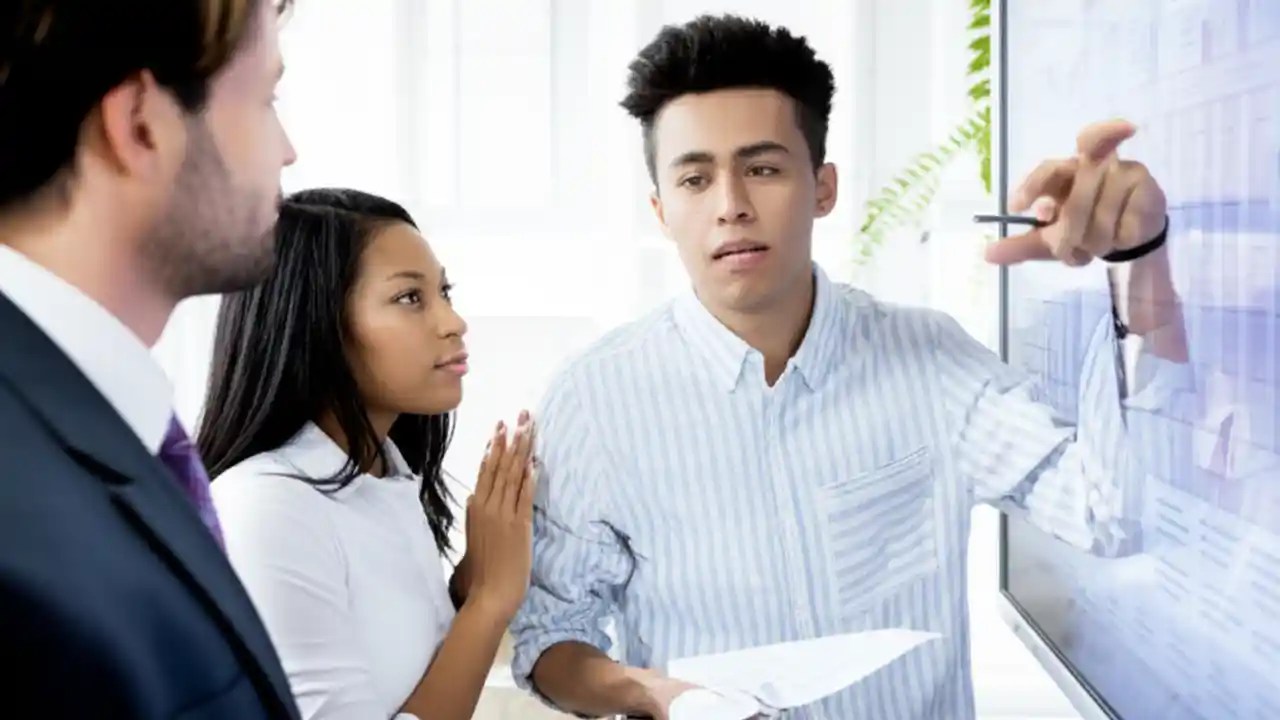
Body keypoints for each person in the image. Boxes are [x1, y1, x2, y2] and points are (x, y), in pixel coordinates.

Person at [508, 14, 1189, 720]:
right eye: (694, 179)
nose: (732, 206)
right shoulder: (595, 399)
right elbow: (553, 638)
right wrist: (655, 694)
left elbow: (1112, 515)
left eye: (763, 169)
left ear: (823, 187)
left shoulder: (929, 363)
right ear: (660, 208)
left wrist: (1138, 260)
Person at [0, 1, 299, 717]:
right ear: (140, 125)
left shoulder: (97, 430)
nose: (287, 150)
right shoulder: (22, 523)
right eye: (266, 100)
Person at [197, 188, 536, 720]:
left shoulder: (386, 484)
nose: (453, 321)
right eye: (410, 298)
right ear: (317, 322)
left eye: (443, 292)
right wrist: (489, 602)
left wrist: (467, 588)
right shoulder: (267, 507)